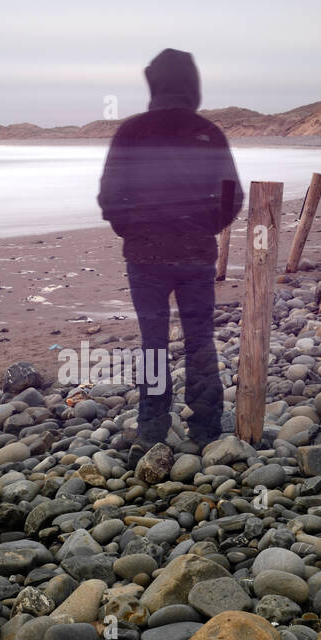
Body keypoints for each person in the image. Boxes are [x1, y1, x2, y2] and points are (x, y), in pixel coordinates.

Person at [97, 48, 243, 460]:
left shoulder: (131, 132)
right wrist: (204, 226)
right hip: (196, 254)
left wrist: (134, 229)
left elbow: (110, 196)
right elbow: (232, 196)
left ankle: (152, 428)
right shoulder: (208, 133)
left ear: (153, 83)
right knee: (200, 341)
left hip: (145, 257)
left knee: (154, 343)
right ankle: (207, 428)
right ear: (192, 84)